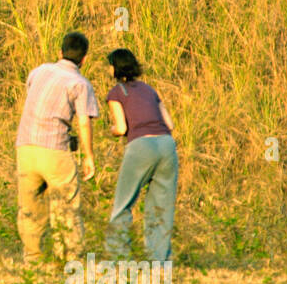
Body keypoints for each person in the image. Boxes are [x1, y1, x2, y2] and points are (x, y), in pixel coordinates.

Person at [15, 31, 99, 263]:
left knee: (30, 209)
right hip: (54, 150)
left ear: (60, 52)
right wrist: (88, 156)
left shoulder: (39, 71)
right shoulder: (80, 84)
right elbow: (83, 121)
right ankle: (70, 261)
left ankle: (33, 260)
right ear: (84, 59)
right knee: (66, 207)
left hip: (25, 147)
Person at [104, 48, 178, 262]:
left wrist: (110, 131)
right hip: (166, 144)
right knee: (161, 207)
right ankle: (159, 261)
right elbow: (170, 123)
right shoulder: (149, 89)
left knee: (123, 203)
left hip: (141, 146)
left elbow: (120, 127)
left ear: (115, 68)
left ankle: (118, 257)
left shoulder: (117, 92)